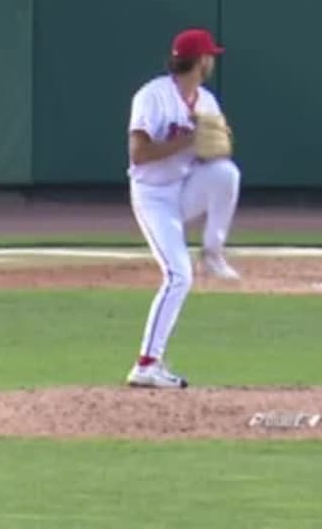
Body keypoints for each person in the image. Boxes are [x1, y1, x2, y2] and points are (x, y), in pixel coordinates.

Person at [125, 28, 243, 389]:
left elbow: (216, 154)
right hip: (153, 196)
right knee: (178, 276)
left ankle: (212, 251)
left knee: (226, 173)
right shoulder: (153, 96)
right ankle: (146, 365)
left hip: (184, 188)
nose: (212, 62)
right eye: (210, 56)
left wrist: (218, 141)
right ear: (199, 60)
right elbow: (139, 154)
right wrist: (188, 140)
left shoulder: (206, 101)